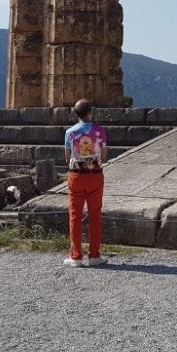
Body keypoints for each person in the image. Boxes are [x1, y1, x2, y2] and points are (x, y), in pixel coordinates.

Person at [63, 99, 107, 268]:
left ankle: (76, 256)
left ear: (76, 114)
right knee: (95, 215)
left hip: (76, 176)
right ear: (90, 112)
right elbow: (104, 157)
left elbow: (67, 158)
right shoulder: (100, 131)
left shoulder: (69, 133)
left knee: (75, 215)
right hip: (95, 175)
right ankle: (94, 255)